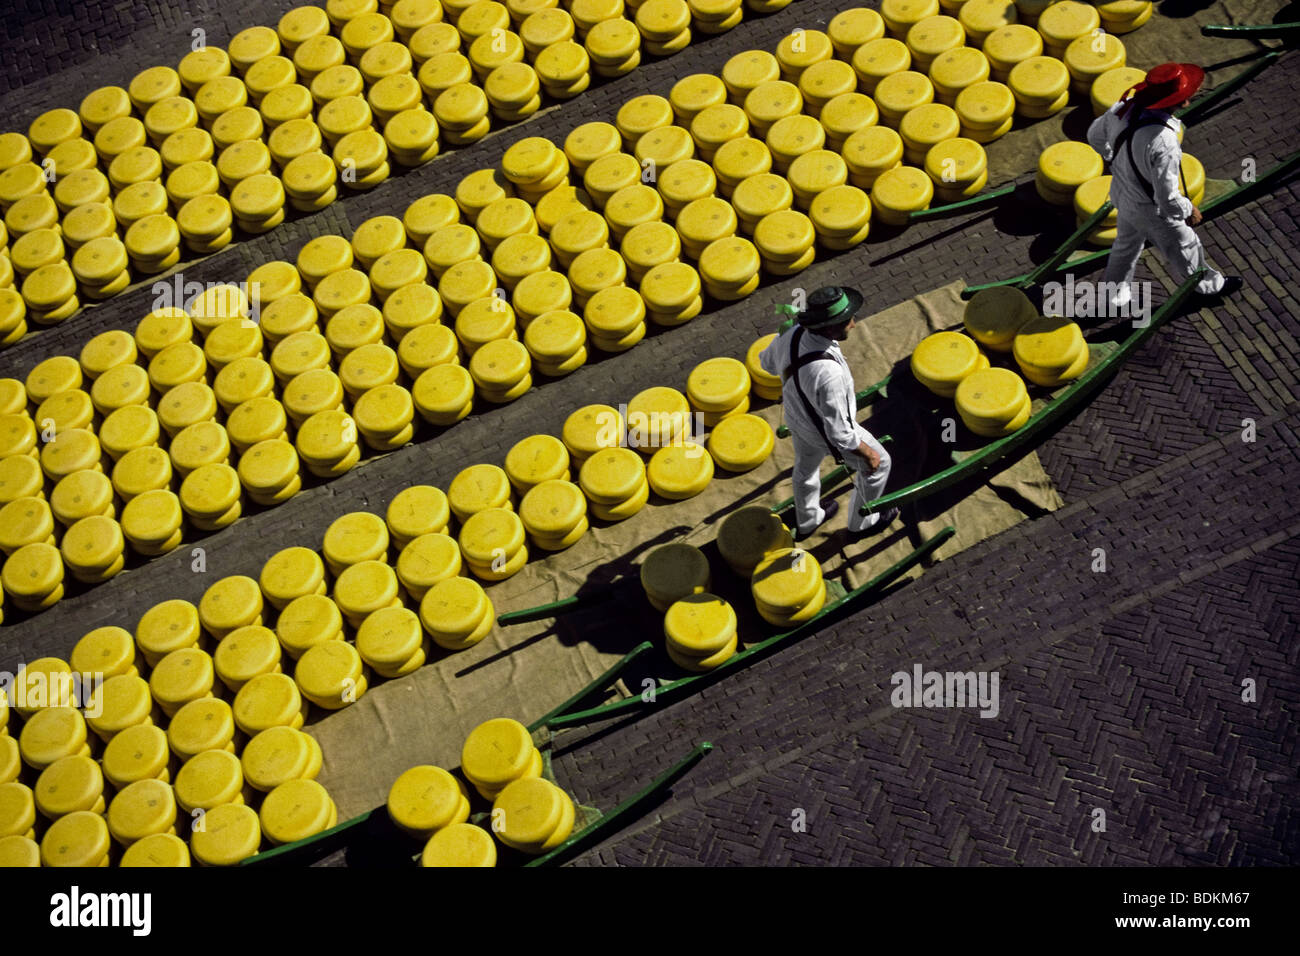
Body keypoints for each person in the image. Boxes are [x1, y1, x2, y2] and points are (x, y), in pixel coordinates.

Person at [1086, 62, 1241, 311]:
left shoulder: (1121, 108)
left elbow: (1094, 135)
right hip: (1151, 210)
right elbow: (1166, 197)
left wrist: (1115, 160)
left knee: (1125, 246)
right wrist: (1188, 209)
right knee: (1186, 245)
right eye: (1182, 99)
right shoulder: (1163, 140)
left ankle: (1113, 298)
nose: (1187, 103)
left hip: (1123, 194)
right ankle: (1209, 287)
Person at [759, 285, 897, 540]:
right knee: (879, 465)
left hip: (796, 419)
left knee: (804, 469)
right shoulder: (829, 374)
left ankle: (809, 519)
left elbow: (765, 362)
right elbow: (841, 433)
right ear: (830, 327)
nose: (854, 324)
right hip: (824, 431)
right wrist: (868, 455)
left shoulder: (790, 330)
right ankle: (862, 523)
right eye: (847, 321)